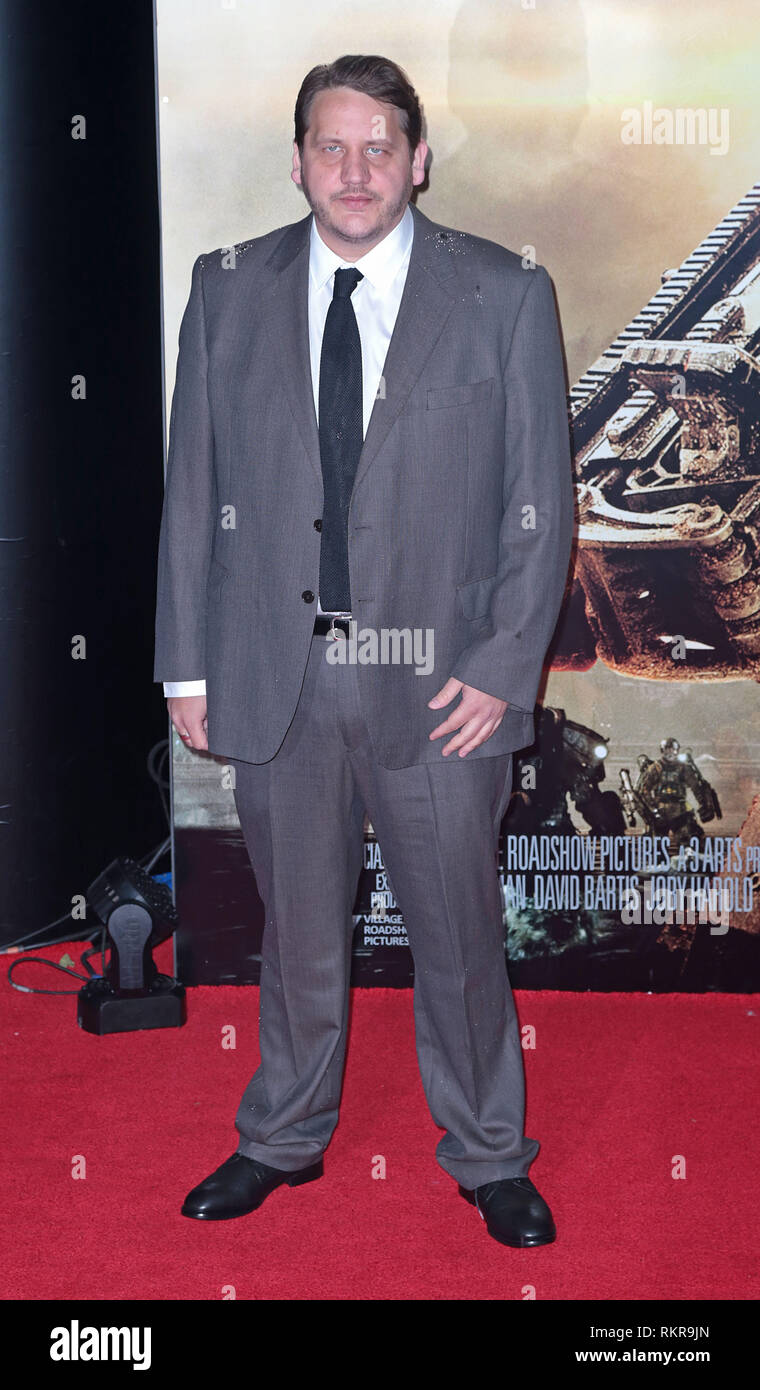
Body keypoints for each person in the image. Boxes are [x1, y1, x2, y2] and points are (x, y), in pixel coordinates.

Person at [154, 53, 574, 1248]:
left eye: (378, 145)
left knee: (458, 931)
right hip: (275, 677)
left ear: (418, 159)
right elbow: (195, 490)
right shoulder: (227, 290)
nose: (354, 170)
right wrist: (186, 664)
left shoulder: (500, 294)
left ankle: (491, 1152)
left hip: (441, 685)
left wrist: (501, 665)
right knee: (296, 934)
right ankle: (280, 1134)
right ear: (296, 163)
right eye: (330, 148)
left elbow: (538, 504)